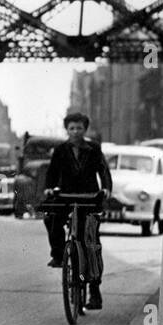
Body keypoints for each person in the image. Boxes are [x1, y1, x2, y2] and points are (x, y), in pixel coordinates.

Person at [43, 112, 112, 307]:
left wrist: (106, 188)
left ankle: (95, 292)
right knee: (51, 218)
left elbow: (104, 171)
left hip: (89, 198)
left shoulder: (94, 149)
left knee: (90, 243)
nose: (75, 131)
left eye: (79, 128)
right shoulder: (60, 150)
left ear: (85, 129)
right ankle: (58, 254)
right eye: (71, 128)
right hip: (66, 195)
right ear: (67, 130)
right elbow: (52, 173)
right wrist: (49, 187)